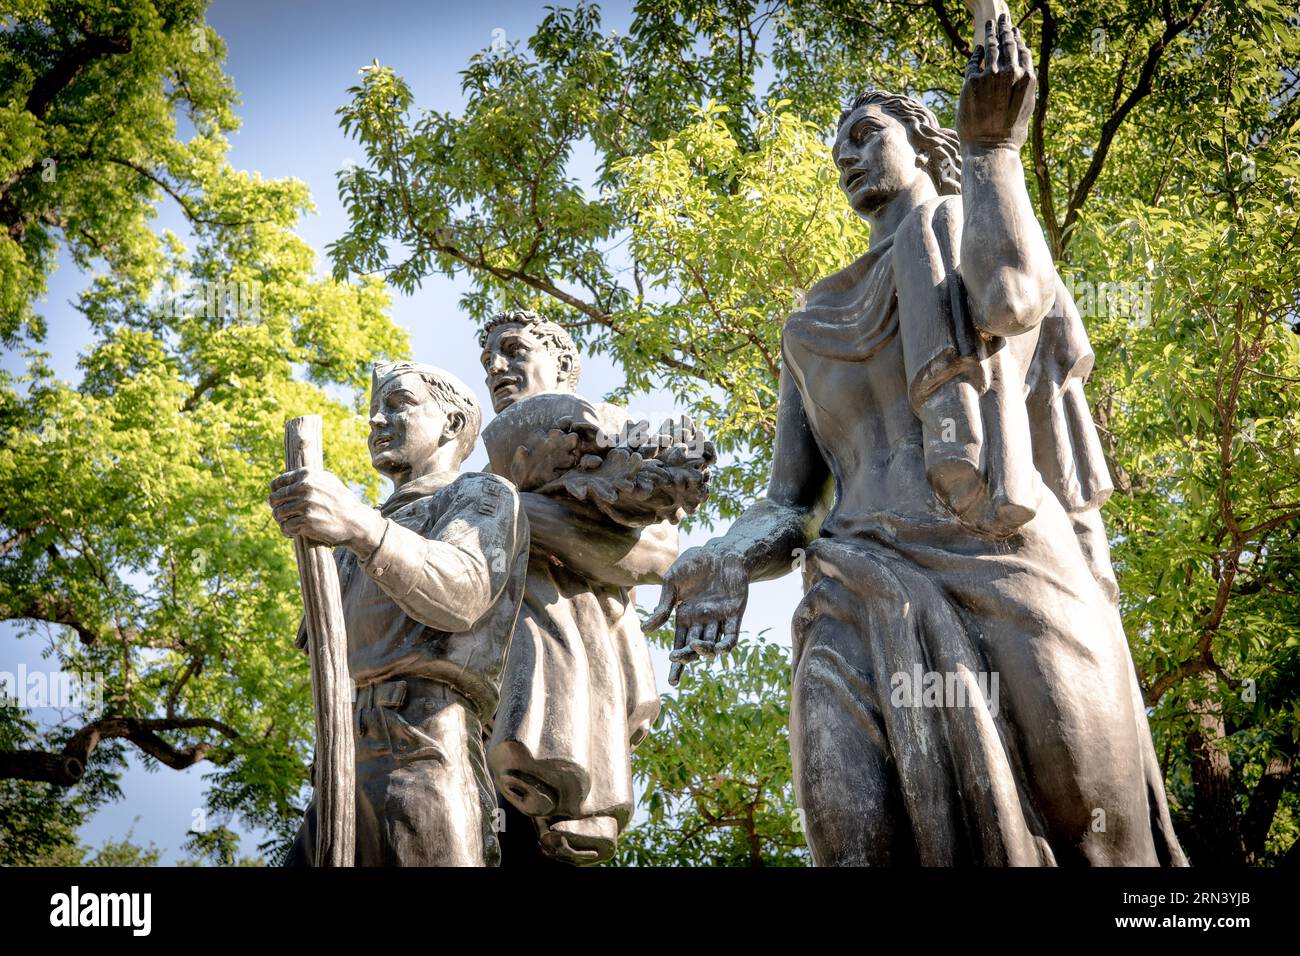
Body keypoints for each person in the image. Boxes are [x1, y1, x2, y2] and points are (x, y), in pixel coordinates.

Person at [645, 16, 1187, 866]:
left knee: (1095, 842)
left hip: (1010, 569)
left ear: (928, 144)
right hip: (856, 587)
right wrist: (726, 554)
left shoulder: (976, 224)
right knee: (853, 841)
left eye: (867, 134)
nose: (846, 155)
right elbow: (788, 504)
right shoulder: (809, 325)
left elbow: (1010, 300)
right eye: (838, 148)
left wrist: (995, 150)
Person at [270, 361, 528, 866]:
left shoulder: (479, 495)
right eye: (373, 408)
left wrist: (361, 527)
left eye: (398, 404)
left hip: (424, 746)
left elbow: (462, 591)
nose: (375, 419)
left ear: (452, 423)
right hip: (339, 763)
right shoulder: (348, 540)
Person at [479, 309, 675, 864]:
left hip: (573, 699)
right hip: (480, 695)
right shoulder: (478, 479)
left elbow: (658, 555)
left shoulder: (606, 430)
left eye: (514, 350)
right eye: (488, 359)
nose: (496, 367)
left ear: (564, 363)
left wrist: (513, 512)